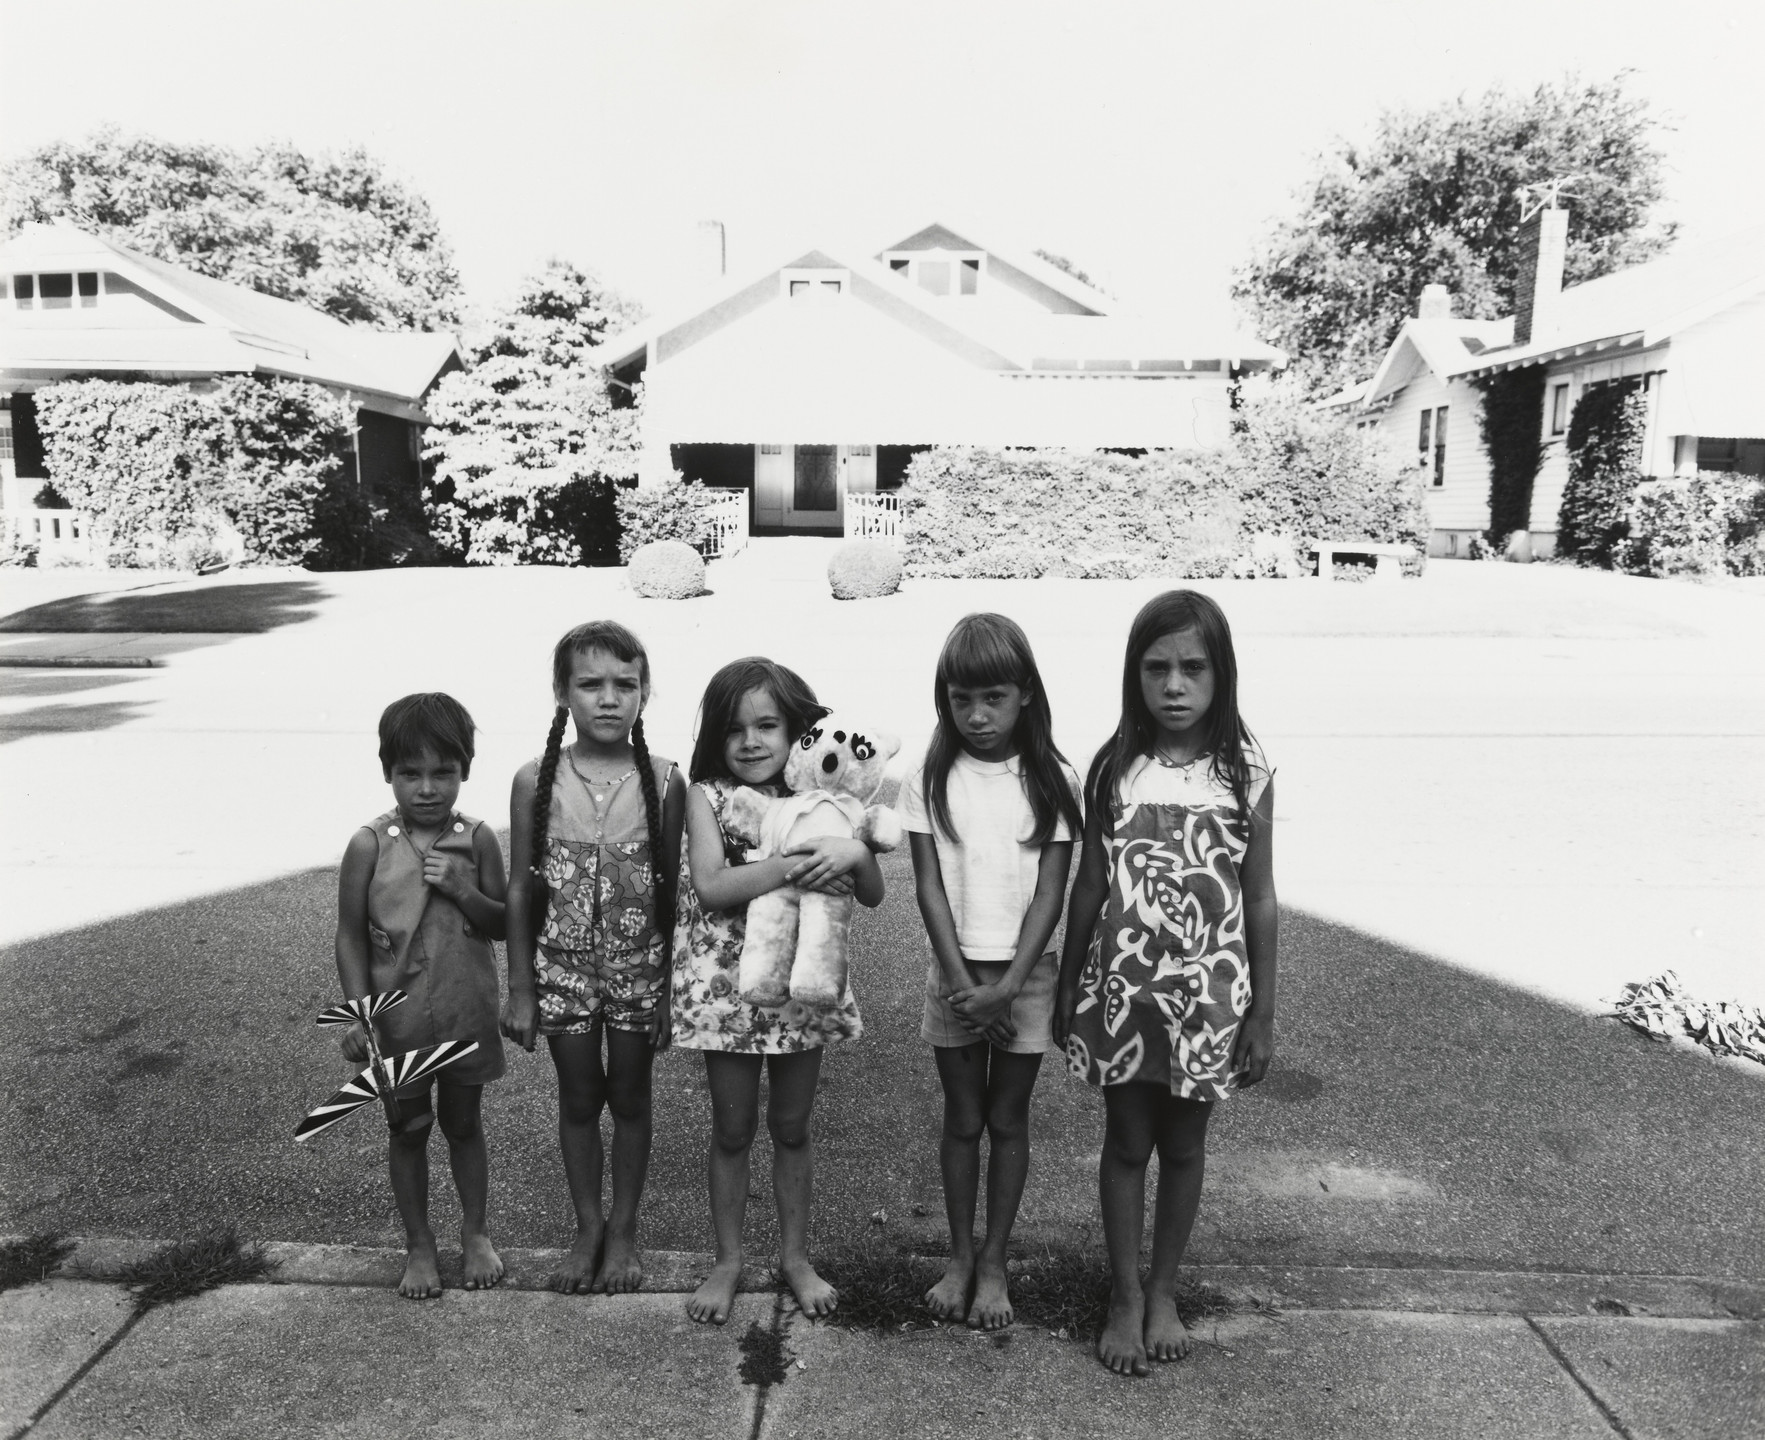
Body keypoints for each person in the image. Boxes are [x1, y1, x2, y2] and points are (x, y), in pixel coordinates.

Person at [1054, 590, 1277, 1377]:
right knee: (1125, 1143)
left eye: (1192, 668)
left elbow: (1258, 897)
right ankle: (1119, 1296)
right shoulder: (1114, 769)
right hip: (1124, 991)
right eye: (1156, 669)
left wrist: (1260, 1013)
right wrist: (1065, 983)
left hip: (1208, 997)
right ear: (1133, 676)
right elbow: (1088, 884)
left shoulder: (1245, 775)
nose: (1174, 685)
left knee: (1183, 1146)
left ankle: (1162, 1291)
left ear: (1221, 676)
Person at [670, 657, 885, 1324]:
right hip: (727, 990)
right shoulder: (704, 795)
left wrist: (855, 852)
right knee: (732, 1130)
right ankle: (729, 1260)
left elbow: (872, 892)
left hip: (802, 988)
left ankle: (795, 1257)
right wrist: (794, 861)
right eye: (734, 728)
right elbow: (711, 886)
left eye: (768, 725)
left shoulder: (827, 803)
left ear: (798, 731)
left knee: (792, 1128)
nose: (751, 741)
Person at [901, 614, 1082, 1330]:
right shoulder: (927, 777)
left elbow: (1051, 891)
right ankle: (957, 1257)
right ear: (942, 698)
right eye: (959, 699)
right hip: (953, 972)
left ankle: (997, 1260)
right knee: (962, 1118)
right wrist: (959, 980)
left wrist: (1007, 985)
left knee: (1007, 1119)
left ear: (1025, 695)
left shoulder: (1051, 778)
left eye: (994, 699)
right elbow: (927, 887)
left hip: (1025, 975)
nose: (976, 716)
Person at [502, 621, 686, 1295]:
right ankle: (587, 1227)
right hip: (563, 971)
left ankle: (626, 1230)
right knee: (579, 1098)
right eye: (590, 684)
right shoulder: (534, 781)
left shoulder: (665, 781)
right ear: (561, 694)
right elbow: (521, 888)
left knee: (630, 1098)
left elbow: (675, 893)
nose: (608, 699)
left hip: (641, 972)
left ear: (645, 693)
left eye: (625, 684)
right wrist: (521, 989)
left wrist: (670, 989)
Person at [334, 692, 509, 1300]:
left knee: (464, 1124)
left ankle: (477, 1234)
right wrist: (358, 1011)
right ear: (388, 772)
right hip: (398, 1022)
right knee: (408, 1128)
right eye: (411, 773)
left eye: (444, 772)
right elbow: (350, 934)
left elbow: (502, 924)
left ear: (466, 769)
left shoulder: (479, 839)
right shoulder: (368, 845)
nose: (428, 788)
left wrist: (465, 888)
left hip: (466, 1013)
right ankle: (418, 1244)